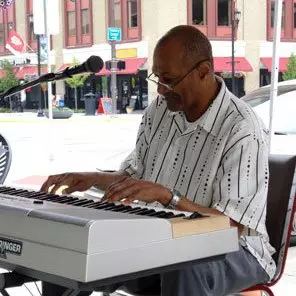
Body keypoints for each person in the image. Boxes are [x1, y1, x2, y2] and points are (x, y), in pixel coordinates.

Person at [41, 25, 275, 296]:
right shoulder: (160, 111)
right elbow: (132, 179)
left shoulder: (242, 128)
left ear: (204, 71)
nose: (161, 91)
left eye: (169, 80)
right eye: (158, 79)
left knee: (183, 261)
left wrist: (169, 198)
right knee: (69, 247)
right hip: (162, 239)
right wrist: (90, 179)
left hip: (239, 251)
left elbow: (231, 226)